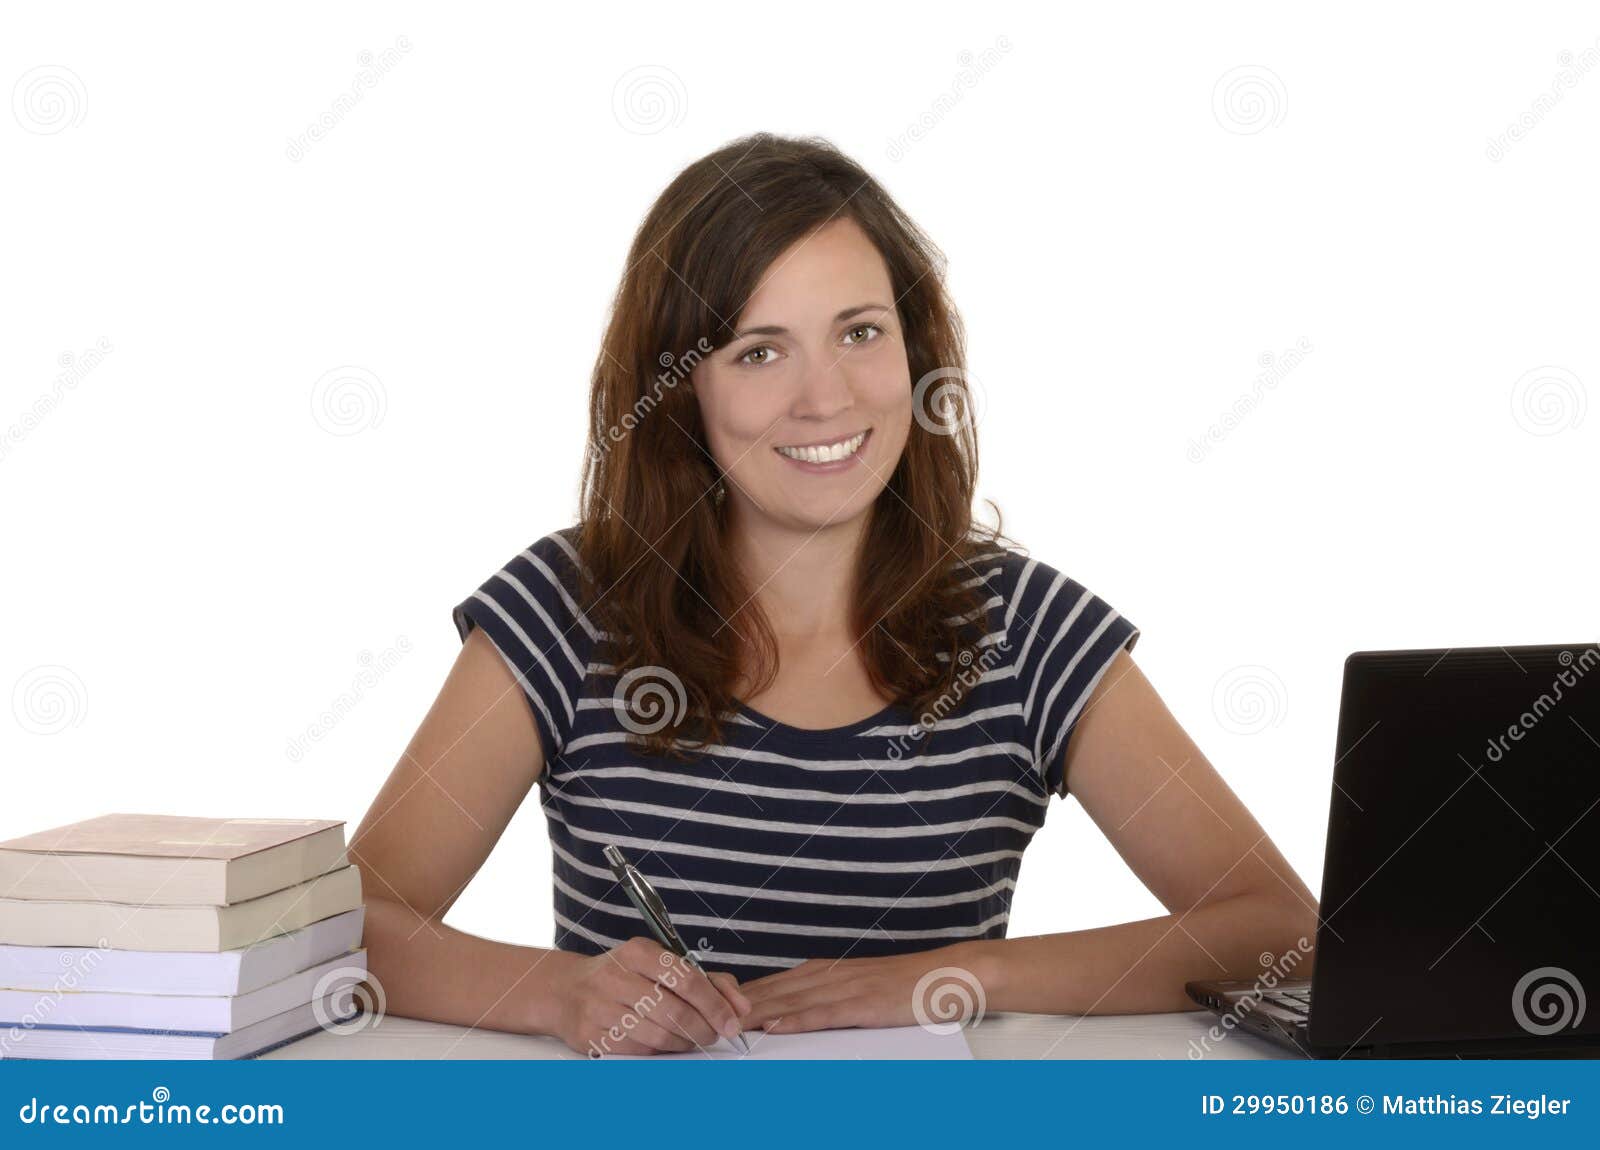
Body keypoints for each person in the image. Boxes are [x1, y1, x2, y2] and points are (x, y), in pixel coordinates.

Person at [350, 131, 1317, 1056]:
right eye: (759, 351)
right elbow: (345, 926)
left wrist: (957, 975)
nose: (826, 399)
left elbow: (1283, 930)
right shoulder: (563, 608)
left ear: (915, 350)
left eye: (860, 332)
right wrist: (559, 994)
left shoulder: (1025, 628)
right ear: (680, 390)